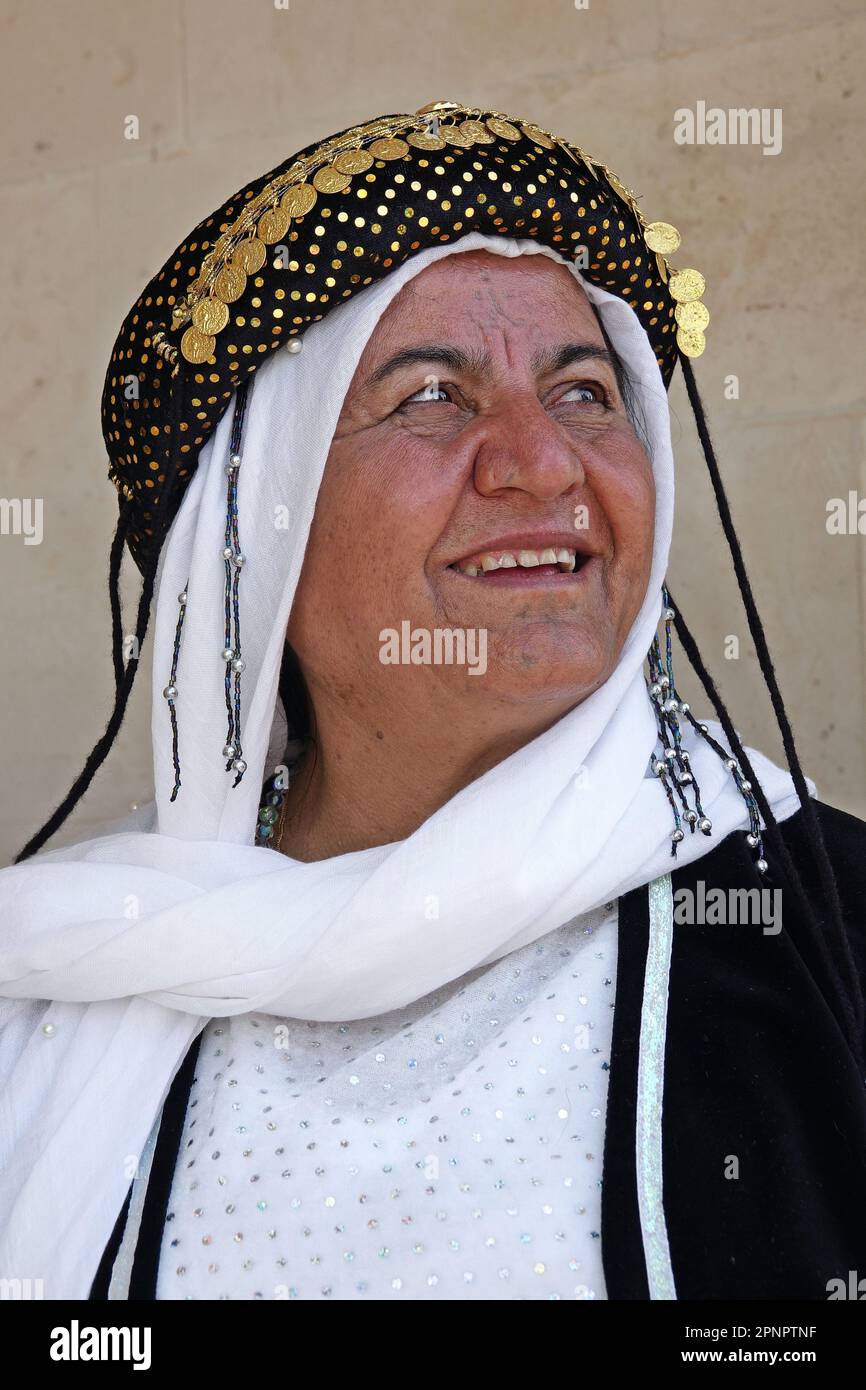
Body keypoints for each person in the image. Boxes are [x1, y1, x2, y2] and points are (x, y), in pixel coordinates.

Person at [1, 102, 864, 1302]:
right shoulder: (63, 987)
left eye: (581, 391)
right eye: (430, 399)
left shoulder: (824, 927)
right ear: (258, 538)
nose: (545, 461)